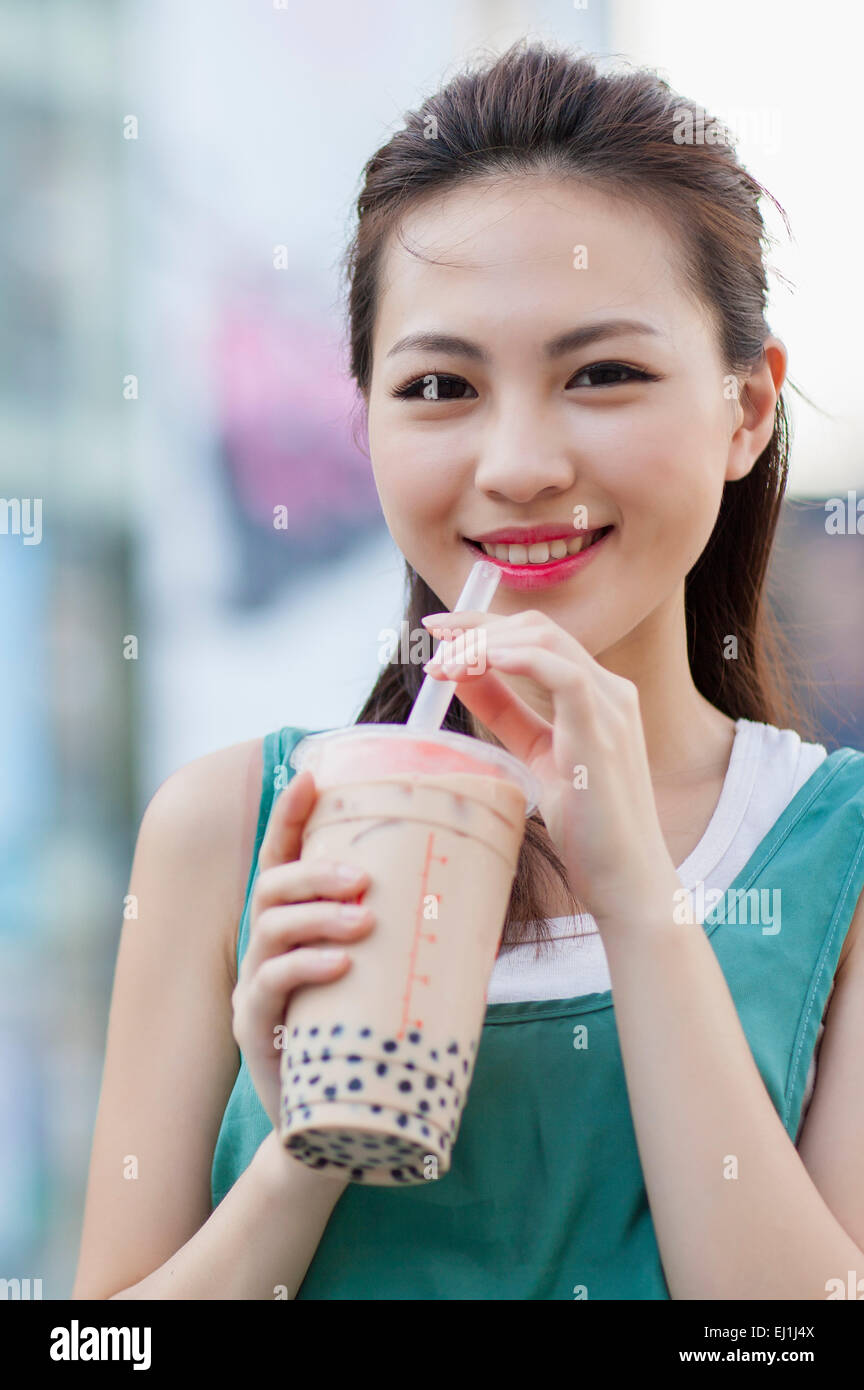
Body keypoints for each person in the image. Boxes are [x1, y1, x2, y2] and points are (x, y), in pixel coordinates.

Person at [72, 39, 864, 1301]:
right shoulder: (230, 834)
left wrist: (639, 907)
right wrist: (306, 1151)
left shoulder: (838, 852)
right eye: (440, 385)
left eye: (603, 373)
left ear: (747, 409)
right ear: (367, 419)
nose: (518, 463)